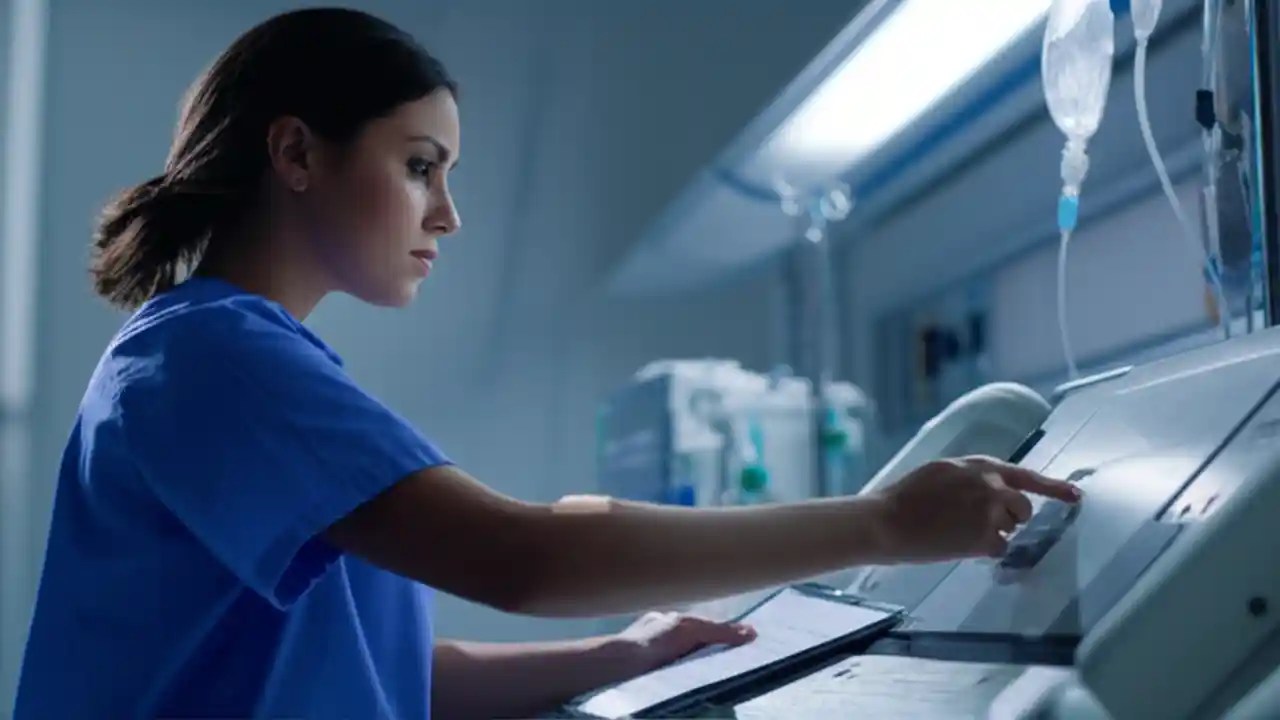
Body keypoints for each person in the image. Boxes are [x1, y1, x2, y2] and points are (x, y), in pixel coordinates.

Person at [12, 7, 1080, 720]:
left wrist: (613, 659)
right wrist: (882, 524)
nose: (448, 213)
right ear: (294, 154)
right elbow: (526, 560)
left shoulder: (231, 359)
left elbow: (374, 675)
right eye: (419, 167)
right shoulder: (211, 358)